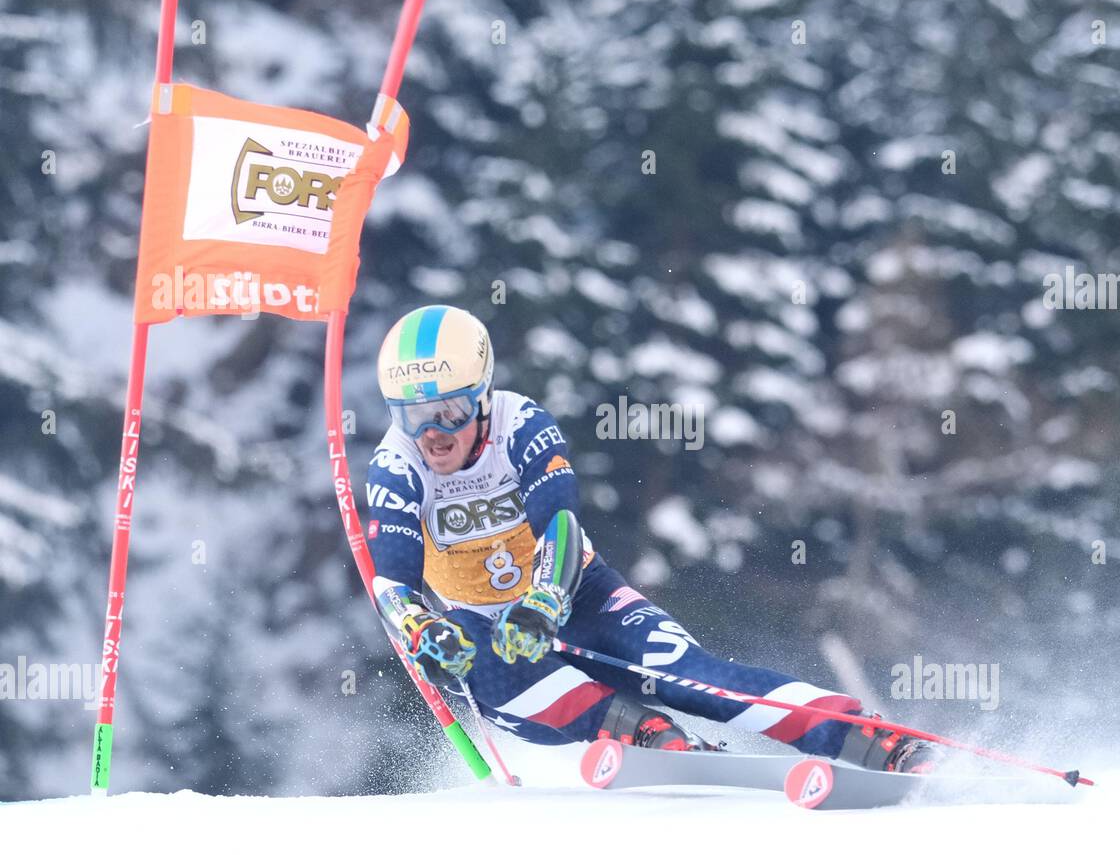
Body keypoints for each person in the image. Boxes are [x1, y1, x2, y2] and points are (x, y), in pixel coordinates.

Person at [364, 304, 935, 769]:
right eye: (412, 417)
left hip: (575, 593)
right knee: (480, 667)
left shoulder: (522, 426)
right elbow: (393, 575)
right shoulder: (396, 464)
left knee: (691, 679)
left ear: (483, 397)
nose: (433, 435)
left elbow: (559, 521)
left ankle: (869, 740)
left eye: (450, 412)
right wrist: (421, 629)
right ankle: (646, 736)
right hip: (481, 623)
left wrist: (545, 600)